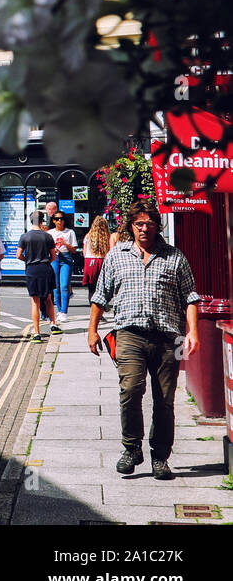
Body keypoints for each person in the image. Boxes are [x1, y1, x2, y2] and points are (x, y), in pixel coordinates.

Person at [89, 200, 199, 480]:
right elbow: (100, 295)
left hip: (168, 338)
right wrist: (92, 330)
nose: (144, 228)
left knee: (165, 399)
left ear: (157, 226)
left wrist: (193, 332)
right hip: (129, 335)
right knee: (130, 390)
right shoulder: (117, 256)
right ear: (131, 226)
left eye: (149, 223)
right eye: (139, 223)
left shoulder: (174, 257)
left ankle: (160, 457)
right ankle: (132, 448)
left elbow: (190, 297)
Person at [17, 211, 60, 342]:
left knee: (35, 302)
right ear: (42, 221)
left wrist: (28, 259)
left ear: (31, 221)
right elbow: (53, 256)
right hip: (45, 268)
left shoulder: (25, 237)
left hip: (32, 270)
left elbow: (18, 255)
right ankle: (53, 324)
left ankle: (36, 333)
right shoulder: (47, 236)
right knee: (48, 298)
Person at [49, 213, 78, 323]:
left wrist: (65, 244)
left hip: (66, 258)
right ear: (53, 221)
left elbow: (74, 250)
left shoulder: (70, 232)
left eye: (61, 219)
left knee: (64, 285)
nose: (59, 221)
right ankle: (60, 311)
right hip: (55, 258)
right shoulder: (50, 233)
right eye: (57, 219)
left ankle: (64, 312)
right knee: (55, 286)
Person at [81, 215, 111, 297]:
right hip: (101, 260)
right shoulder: (107, 237)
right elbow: (109, 250)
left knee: (91, 286)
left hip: (89, 260)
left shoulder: (88, 236)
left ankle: (92, 304)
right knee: (102, 285)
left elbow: (84, 250)